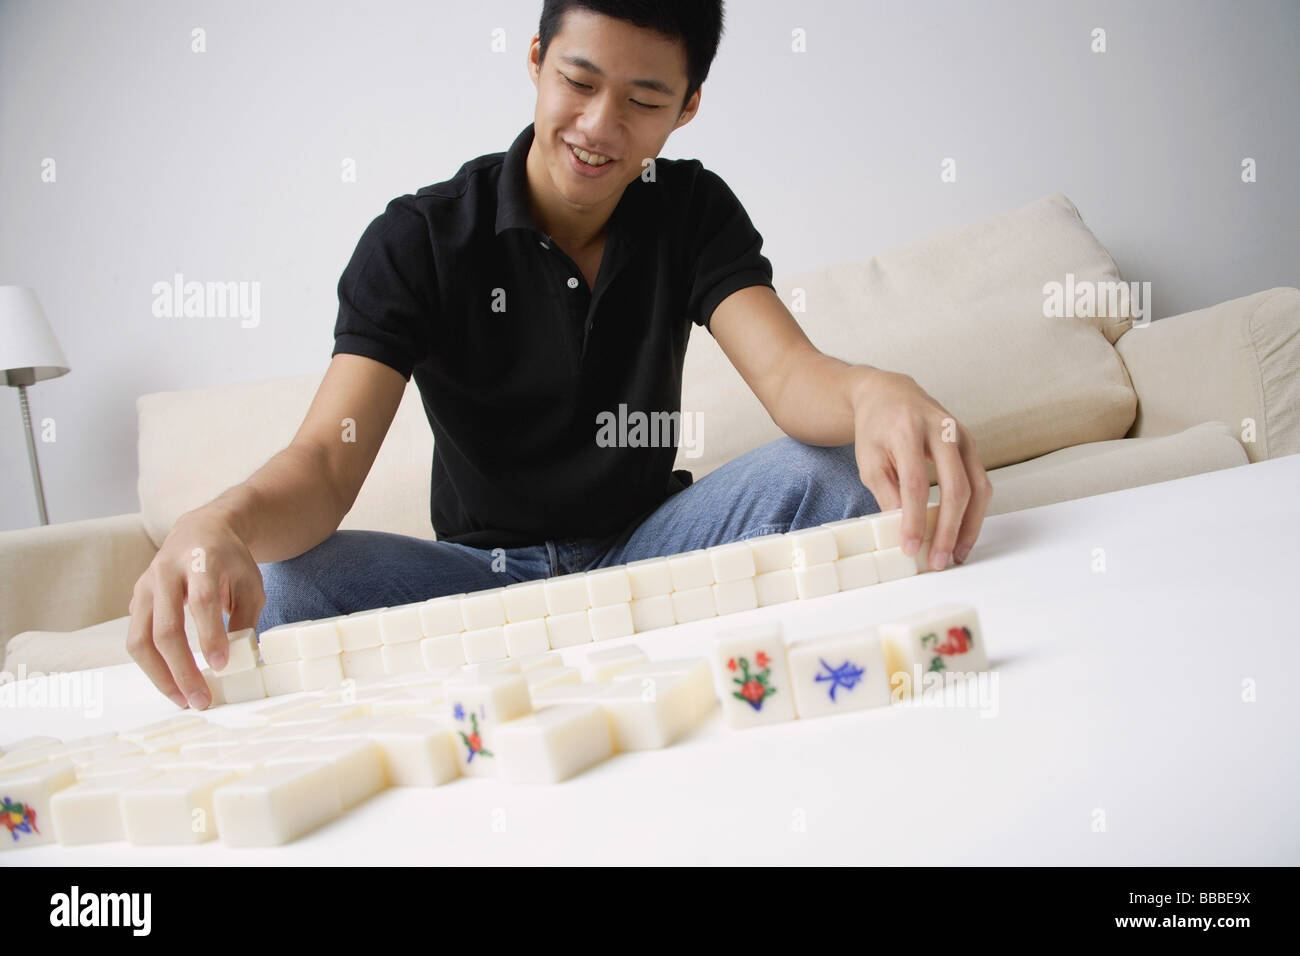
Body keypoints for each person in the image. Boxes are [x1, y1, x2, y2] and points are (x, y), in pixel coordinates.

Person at [126, 0, 991, 710]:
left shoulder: (690, 211)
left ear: (688, 106)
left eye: (645, 101)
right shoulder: (418, 240)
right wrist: (222, 521)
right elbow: (323, 460)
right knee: (291, 582)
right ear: (537, 58)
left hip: (649, 554)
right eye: (578, 80)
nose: (599, 126)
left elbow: (792, 377)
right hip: (477, 584)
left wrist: (877, 390)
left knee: (835, 471)